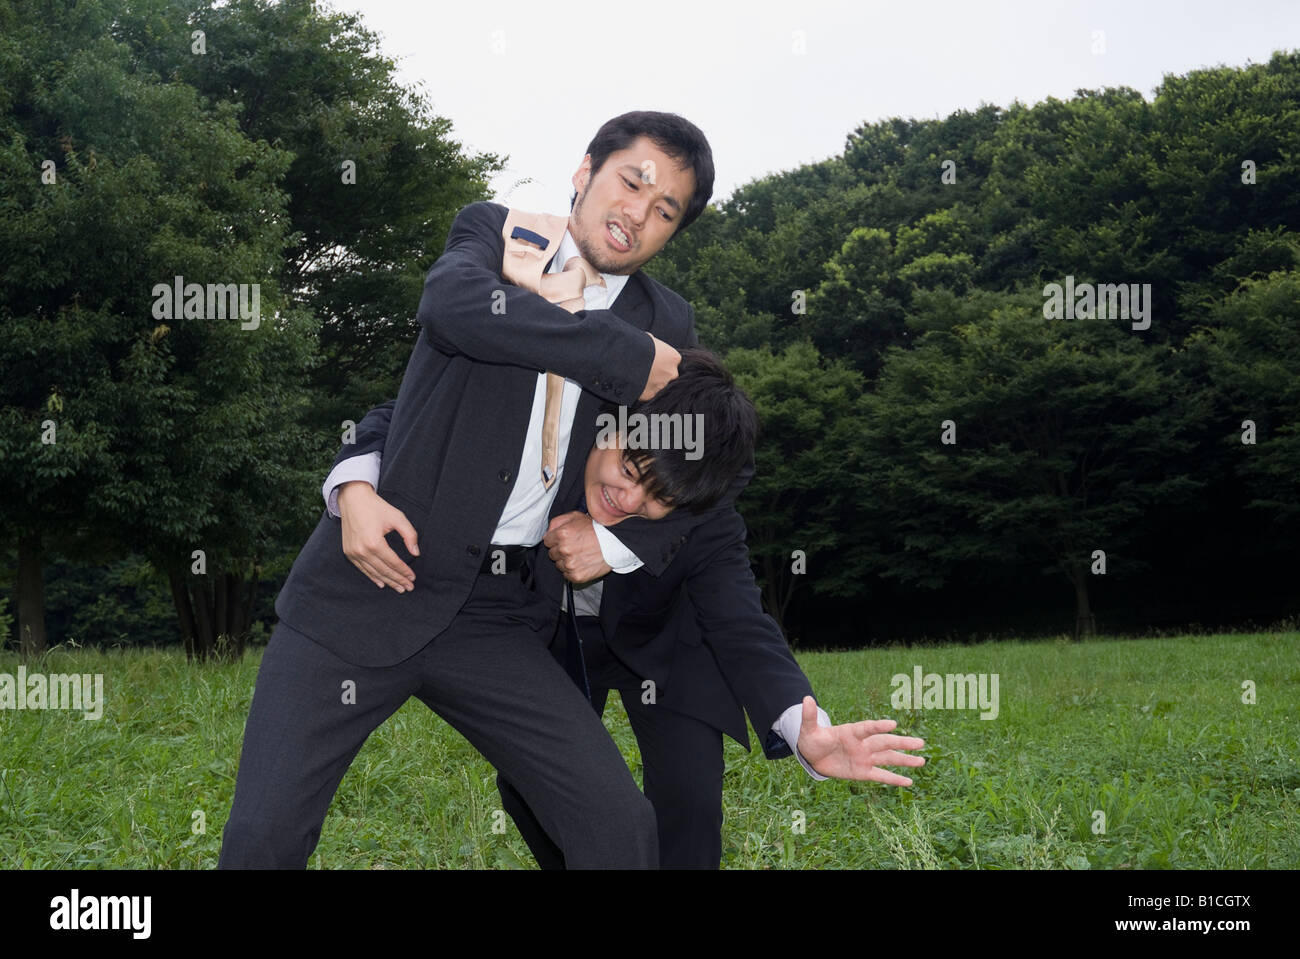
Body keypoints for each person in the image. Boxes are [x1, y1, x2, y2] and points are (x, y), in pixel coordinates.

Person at [219, 111, 723, 869]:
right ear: (586, 171)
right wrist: (352, 483)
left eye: (665, 212)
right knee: (262, 841)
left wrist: (619, 540)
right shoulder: (498, 234)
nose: (638, 215)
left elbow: (719, 462)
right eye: (632, 181)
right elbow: (452, 313)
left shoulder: (668, 322)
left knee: (619, 827)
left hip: (498, 613)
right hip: (366, 578)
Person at [330, 351, 927, 868]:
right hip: (547, 636)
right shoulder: (563, 414)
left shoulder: (707, 514)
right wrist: (357, 485)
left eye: (657, 496)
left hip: (667, 648)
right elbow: (411, 411)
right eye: (629, 468)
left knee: (690, 804)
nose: (625, 497)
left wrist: (803, 731)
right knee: (536, 790)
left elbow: (741, 624)